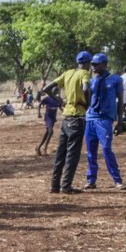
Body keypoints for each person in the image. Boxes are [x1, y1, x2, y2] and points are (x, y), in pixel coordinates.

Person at [46, 51, 93, 194]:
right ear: (88, 63)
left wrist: (60, 100)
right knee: (73, 154)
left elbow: (46, 89)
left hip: (66, 117)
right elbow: (86, 88)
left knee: (61, 153)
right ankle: (66, 186)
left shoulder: (67, 73)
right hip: (78, 118)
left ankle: (55, 186)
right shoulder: (84, 73)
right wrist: (87, 103)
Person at [83, 53, 124, 189]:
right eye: (92, 64)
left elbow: (121, 101)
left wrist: (120, 120)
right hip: (90, 118)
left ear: (105, 64)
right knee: (90, 151)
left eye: (96, 64)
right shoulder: (91, 81)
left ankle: (117, 179)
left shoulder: (115, 80)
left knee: (106, 148)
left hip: (105, 119)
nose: (93, 67)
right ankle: (91, 180)